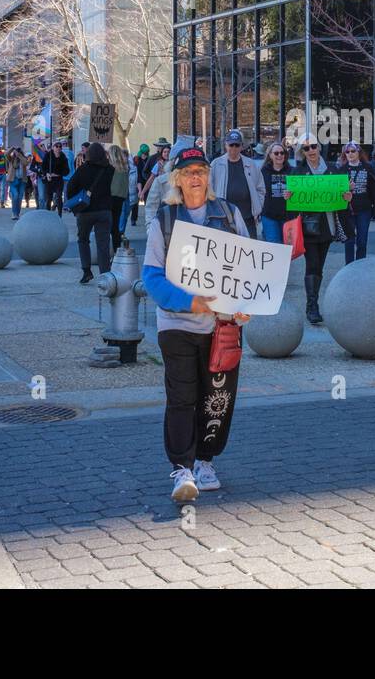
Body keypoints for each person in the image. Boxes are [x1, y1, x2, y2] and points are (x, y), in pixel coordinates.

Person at [140, 146, 251, 501]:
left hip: (222, 328)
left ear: (209, 176)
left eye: (201, 170)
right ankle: (182, 469)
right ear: (177, 179)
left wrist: (245, 305)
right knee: (182, 396)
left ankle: (206, 460)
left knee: (217, 398)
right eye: (188, 172)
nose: (196, 177)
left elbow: (249, 267)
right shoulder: (165, 220)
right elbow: (152, 276)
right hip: (177, 324)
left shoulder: (230, 215)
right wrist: (189, 301)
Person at [296, 138, 342, 325]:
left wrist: (346, 194)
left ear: (319, 148)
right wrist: (289, 196)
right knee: (312, 263)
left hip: (327, 224)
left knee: (319, 266)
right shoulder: (299, 171)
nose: (311, 150)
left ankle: (312, 302)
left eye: (313, 146)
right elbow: (292, 201)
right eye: (306, 148)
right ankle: (312, 306)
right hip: (308, 226)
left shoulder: (332, 170)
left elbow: (342, 195)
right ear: (303, 152)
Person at [66, 142, 115, 284]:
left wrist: (76, 207)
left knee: (83, 239)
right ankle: (105, 274)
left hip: (85, 211)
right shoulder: (110, 170)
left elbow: (70, 188)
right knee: (103, 243)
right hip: (104, 211)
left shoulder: (82, 169)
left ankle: (86, 271)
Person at [334, 140, 375, 263]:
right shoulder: (341, 170)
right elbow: (335, 192)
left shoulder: (368, 168)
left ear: (358, 152)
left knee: (362, 241)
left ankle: (360, 266)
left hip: (364, 210)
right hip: (347, 210)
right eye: (347, 152)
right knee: (349, 241)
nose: (350, 154)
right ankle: (349, 267)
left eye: (353, 151)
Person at [209, 129, 265, 240]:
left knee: (249, 251)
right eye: (231, 145)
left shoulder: (251, 164)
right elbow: (209, 188)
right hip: (224, 218)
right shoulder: (216, 164)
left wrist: (257, 208)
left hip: (248, 218)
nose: (234, 148)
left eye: (237, 145)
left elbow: (260, 188)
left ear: (241, 146)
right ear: (226, 145)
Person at [259, 141, 294, 244]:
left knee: (287, 249)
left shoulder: (292, 171)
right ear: (270, 155)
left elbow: (299, 191)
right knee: (274, 248)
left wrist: (293, 193)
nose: (279, 155)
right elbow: (258, 191)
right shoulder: (263, 171)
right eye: (276, 153)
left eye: (282, 153)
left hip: (288, 216)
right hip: (269, 216)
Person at [106, 144, 133, 253]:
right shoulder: (125, 167)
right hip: (120, 197)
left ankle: (108, 250)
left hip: (110, 197)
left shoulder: (110, 167)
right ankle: (116, 249)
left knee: (107, 225)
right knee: (116, 225)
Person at [44, 142, 70, 215]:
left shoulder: (63, 157)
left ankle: (59, 215)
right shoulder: (48, 155)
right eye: (56, 146)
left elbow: (66, 170)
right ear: (53, 147)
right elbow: (43, 167)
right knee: (49, 198)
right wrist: (47, 174)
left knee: (59, 197)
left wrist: (58, 174)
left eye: (60, 147)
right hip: (49, 180)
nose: (58, 148)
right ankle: (48, 214)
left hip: (58, 180)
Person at [6, 148, 28, 220]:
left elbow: (26, 163)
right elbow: (6, 154)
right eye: (15, 153)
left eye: (18, 152)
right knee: (15, 196)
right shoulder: (11, 159)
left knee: (20, 197)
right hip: (13, 180)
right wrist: (12, 148)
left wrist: (19, 156)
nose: (16, 154)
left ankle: (17, 214)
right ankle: (14, 213)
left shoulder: (23, 158)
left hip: (22, 180)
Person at [131, 145, 150, 226]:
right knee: (135, 203)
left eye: (146, 153)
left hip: (146, 183)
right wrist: (139, 190)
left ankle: (148, 219)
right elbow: (137, 174)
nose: (144, 155)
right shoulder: (136, 159)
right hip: (137, 182)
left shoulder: (149, 159)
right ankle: (133, 219)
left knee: (147, 202)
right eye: (143, 153)